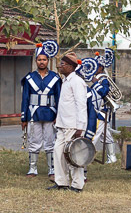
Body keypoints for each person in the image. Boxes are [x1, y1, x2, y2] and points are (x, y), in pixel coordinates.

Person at [20, 40, 62, 178]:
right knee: (34, 141)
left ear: (48, 60)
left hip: (50, 114)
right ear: (36, 61)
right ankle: (32, 168)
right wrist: (23, 117)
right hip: (34, 115)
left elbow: (59, 97)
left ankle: (52, 169)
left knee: (50, 142)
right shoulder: (29, 78)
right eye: (39, 59)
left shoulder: (55, 78)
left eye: (44, 59)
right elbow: (25, 98)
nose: (42, 62)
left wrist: (59, 116)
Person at [51, 53, 88, 192]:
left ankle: (78, 185)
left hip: (73, 125)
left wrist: (80, 127)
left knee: (73, 155)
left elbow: (81, 105)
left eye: (63, 64)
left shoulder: (77, 81)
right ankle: (62, 182)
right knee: (58, 152)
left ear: (71, 67)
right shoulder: (65, 80)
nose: (60, 66)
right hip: (62, 124)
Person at [91, 49, 117, 164]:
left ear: (101, 67)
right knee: (106, 136)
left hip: (100, 112)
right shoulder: (99, 78)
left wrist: (96, 83)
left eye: (96, 66)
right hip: (100, 111)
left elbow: (104, 92)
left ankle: (86, 155)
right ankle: (112, 157)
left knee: (94, 135)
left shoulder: (103, 79)